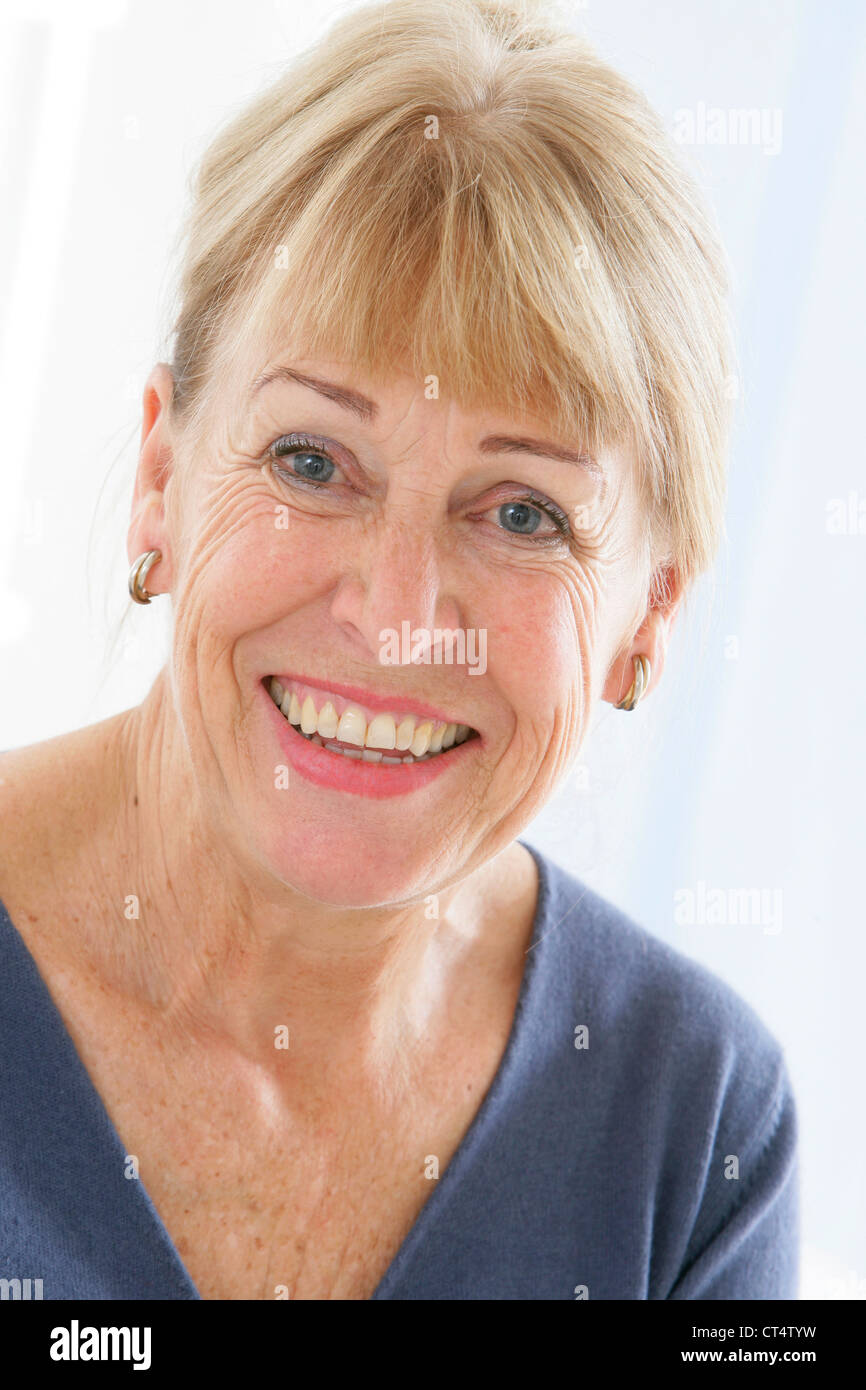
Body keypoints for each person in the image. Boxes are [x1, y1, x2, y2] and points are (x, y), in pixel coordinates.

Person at [0, 0, 797, 1299]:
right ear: (162, 474)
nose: (393, 615)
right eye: (312, 463)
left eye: (522, 512)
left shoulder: (694, 1124)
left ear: (649, 612)